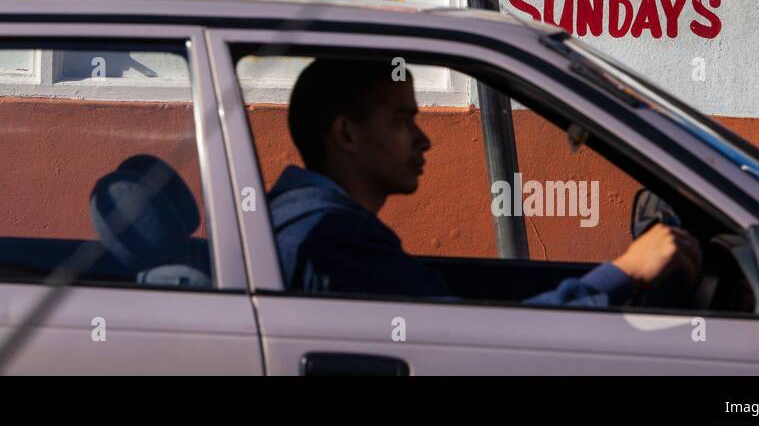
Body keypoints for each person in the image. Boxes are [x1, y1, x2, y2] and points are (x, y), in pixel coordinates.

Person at [268, 58, 701, 307]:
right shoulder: (332, 239)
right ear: (347, 133)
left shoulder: (306, 220)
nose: (425, 139)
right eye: (403, 120)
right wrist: (624, 273)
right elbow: (471, 351)